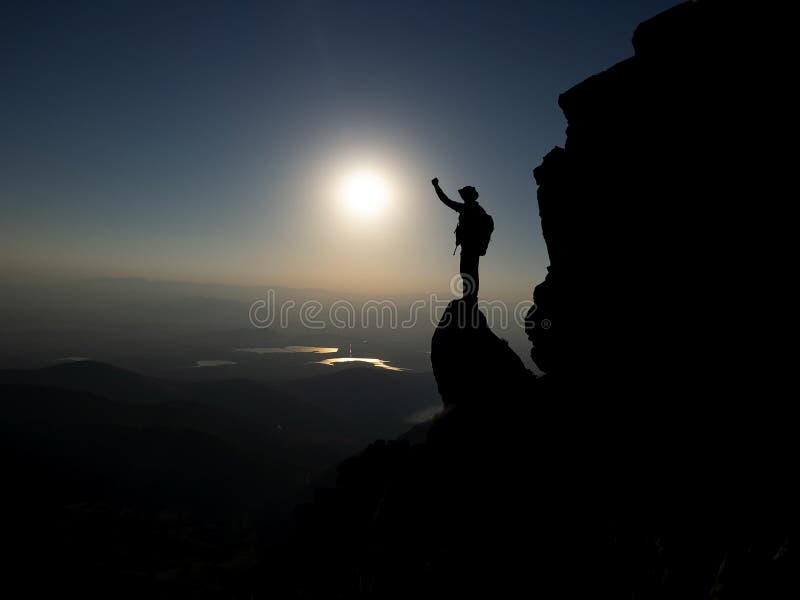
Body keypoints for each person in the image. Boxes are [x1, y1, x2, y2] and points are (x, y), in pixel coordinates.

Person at [432, 177, 493, 301]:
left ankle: (469, 297)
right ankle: (471, 297)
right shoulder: (478, 210)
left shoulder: (466, 208)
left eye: (464, 195)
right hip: (474, 246)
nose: (463, 197)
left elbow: (445, 200)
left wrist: (436, 186)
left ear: (467, 196)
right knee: (471, 271)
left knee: (466, 271)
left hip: (469, 246)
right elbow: (446, 200)